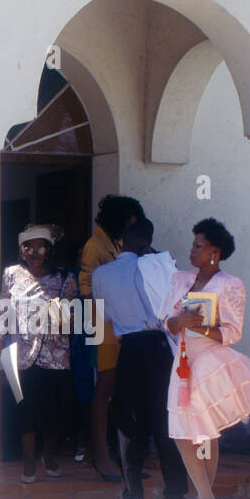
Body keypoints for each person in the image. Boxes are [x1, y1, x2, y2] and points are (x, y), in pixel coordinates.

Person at [160, 218, 250, 499]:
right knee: (181, 430)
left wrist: (200, 326)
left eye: (198, 245)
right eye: (193, 244)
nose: (192, 250)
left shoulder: (229, 284)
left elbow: (233, 332)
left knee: (203, 431)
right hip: (183, 361)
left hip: (209, 361)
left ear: (214, 253)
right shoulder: (181, 279)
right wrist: (180, 321)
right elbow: (166, 322)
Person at [92, 218, 190, 499]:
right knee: (165, 420)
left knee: (128, 422)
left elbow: (101, 317)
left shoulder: (101, 273)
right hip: (159, 347)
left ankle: (132, 494)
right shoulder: (159, 268)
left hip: (128, 348)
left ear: (121, 241)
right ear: (146, 242)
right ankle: (175, 495)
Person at [1, 225, 77, 481]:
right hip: (22, 355)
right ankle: (29, 462)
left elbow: (73, 317)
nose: (34, 252)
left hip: (55, 355)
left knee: (52, 409)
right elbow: (3, 312)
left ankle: (49, 455)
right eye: (28, 247)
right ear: (21, 251)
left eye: (40, 246)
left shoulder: (64, 277)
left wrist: (60, 315)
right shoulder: (11, 274)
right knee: (26, 408)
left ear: (49, 250)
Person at [80, 195, 146, 481]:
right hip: (102, 325)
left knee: (122, 392)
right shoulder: (95, 246)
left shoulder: (116, 243)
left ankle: (122, 458)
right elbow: (86, 290)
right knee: (103, 391)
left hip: (121, 325)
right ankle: (100, 458)